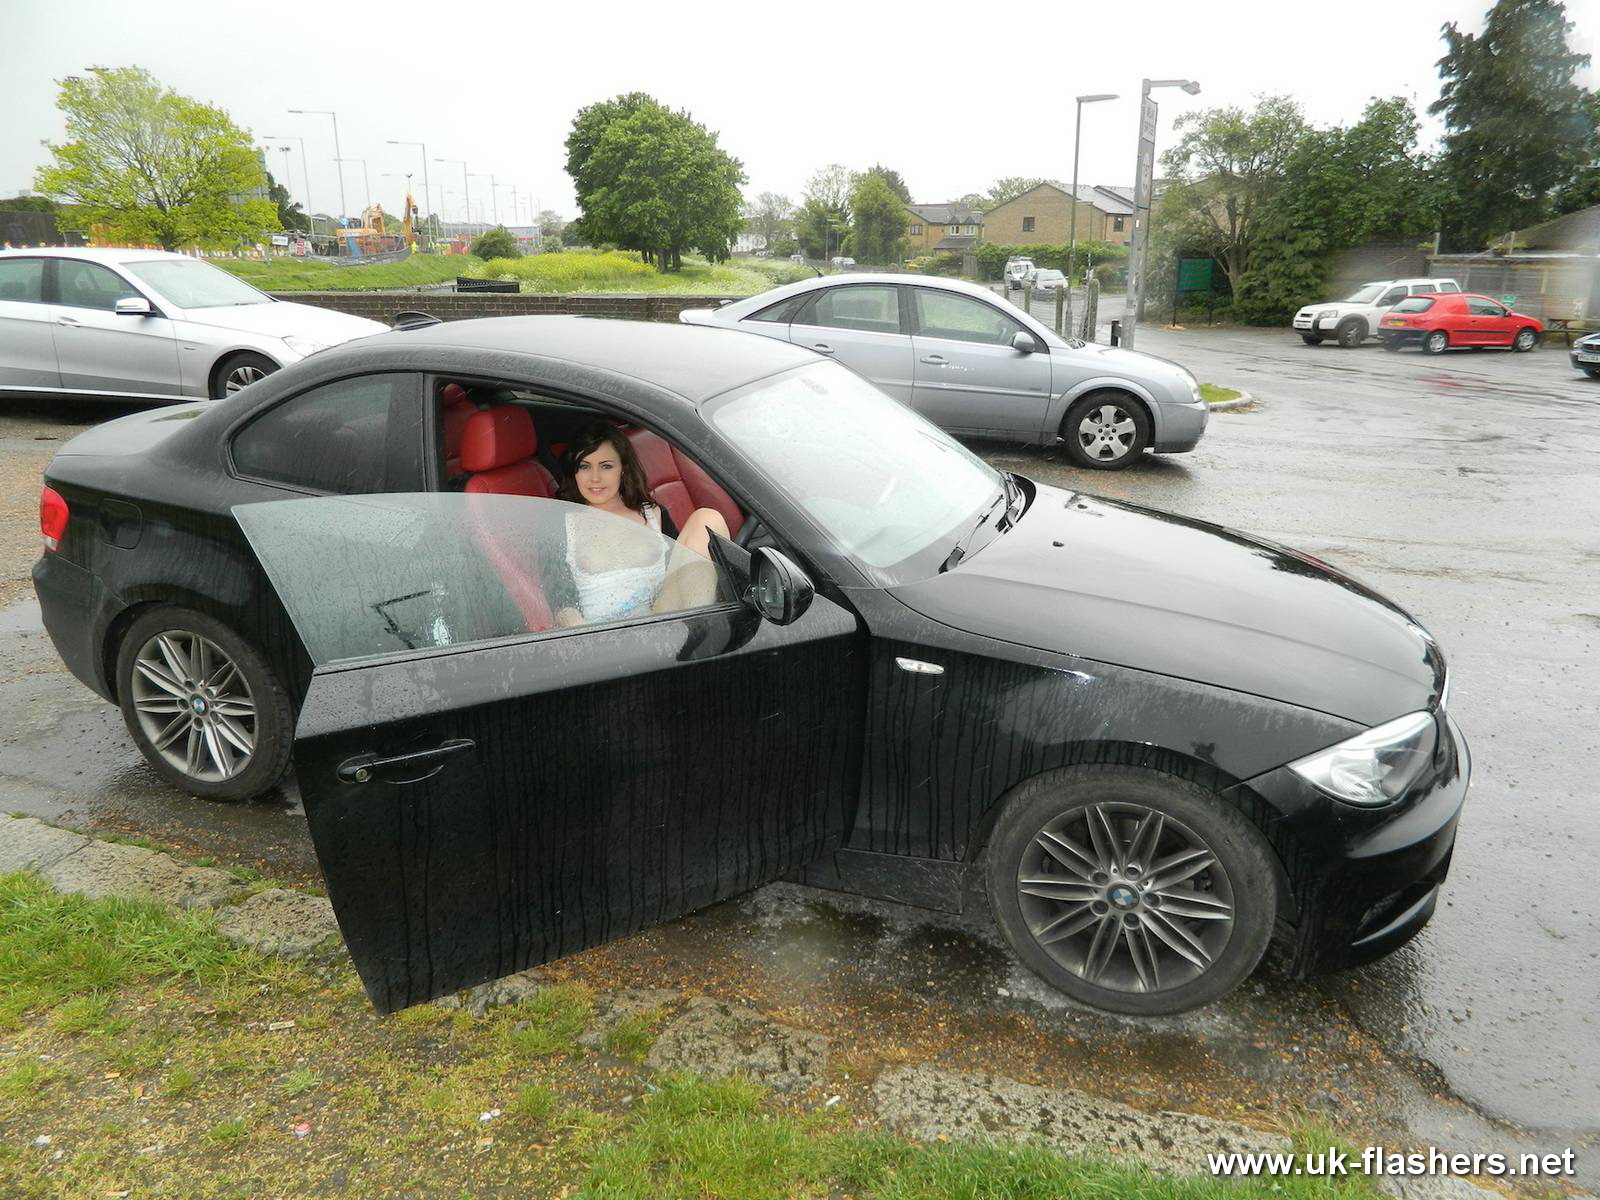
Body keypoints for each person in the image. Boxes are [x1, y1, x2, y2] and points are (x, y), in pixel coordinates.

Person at [551, 423, 729, 627]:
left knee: (707, 518)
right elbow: (559, 601)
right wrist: (582, 633)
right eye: (584, 466)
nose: (595, 478)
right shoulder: (562, 525)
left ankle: (697, 631)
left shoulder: (654, 514)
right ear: (574, 472)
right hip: (604, 639)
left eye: (606, 466)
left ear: (623, 470)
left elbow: (685, 577)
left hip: (665, 623)